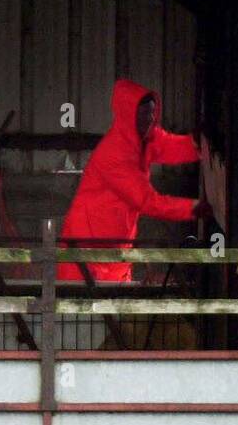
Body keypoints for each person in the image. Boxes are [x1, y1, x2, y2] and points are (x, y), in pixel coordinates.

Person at [58, 79, 213, 283]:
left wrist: (196, 143)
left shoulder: (144, 139)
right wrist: (192, 209)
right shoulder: (114, 154)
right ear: (127, 115)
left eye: (152, 113)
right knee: (79, 312)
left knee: (111, 308)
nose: (149, 119)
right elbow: (145, 201)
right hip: (84, 253)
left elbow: (169, 146)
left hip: (113, 251)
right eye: (143, 114)